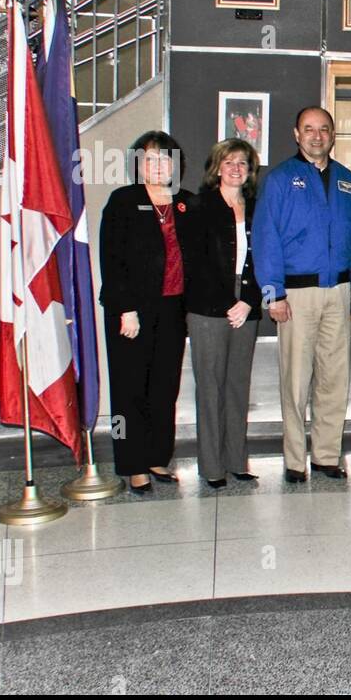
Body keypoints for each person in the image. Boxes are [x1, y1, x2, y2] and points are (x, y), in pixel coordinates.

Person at [252, 107, 351, 483]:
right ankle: (295, 460)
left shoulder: (349, 182)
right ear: (296, 134)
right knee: (296, 381)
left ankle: (327, 455)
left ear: (334, 135)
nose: (318, 136)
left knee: (335, 377)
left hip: (339, 292)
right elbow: (266, 238)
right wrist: (273, 294)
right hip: (296, 295)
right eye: (309, 129)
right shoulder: (280, 180)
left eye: (325, 129)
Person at [98, 131, 195, 493]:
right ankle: (132, 463)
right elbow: (112, 260)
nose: (157, 166)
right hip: (132, 313)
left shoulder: (187, 203)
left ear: (175, 164)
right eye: (150, 159)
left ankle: (157, 457)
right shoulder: (123, 201)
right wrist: (126, 309)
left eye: (164, 159)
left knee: (164, 387)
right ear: (138, 165)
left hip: (173, 310)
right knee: (129, 389)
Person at [182, 139, 263, 489]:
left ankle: (236, 459)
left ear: (249, 171)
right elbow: (194, 262)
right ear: (216, 168)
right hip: (207, 306)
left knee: (237, 385)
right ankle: (212, 466)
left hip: (246, 303)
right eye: (228, 162)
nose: (235, 168)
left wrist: (247, 300)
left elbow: (269, 257)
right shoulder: (199, 206)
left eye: (242, 163)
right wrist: (226, 302)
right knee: (210, 386)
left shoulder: (259, 208)